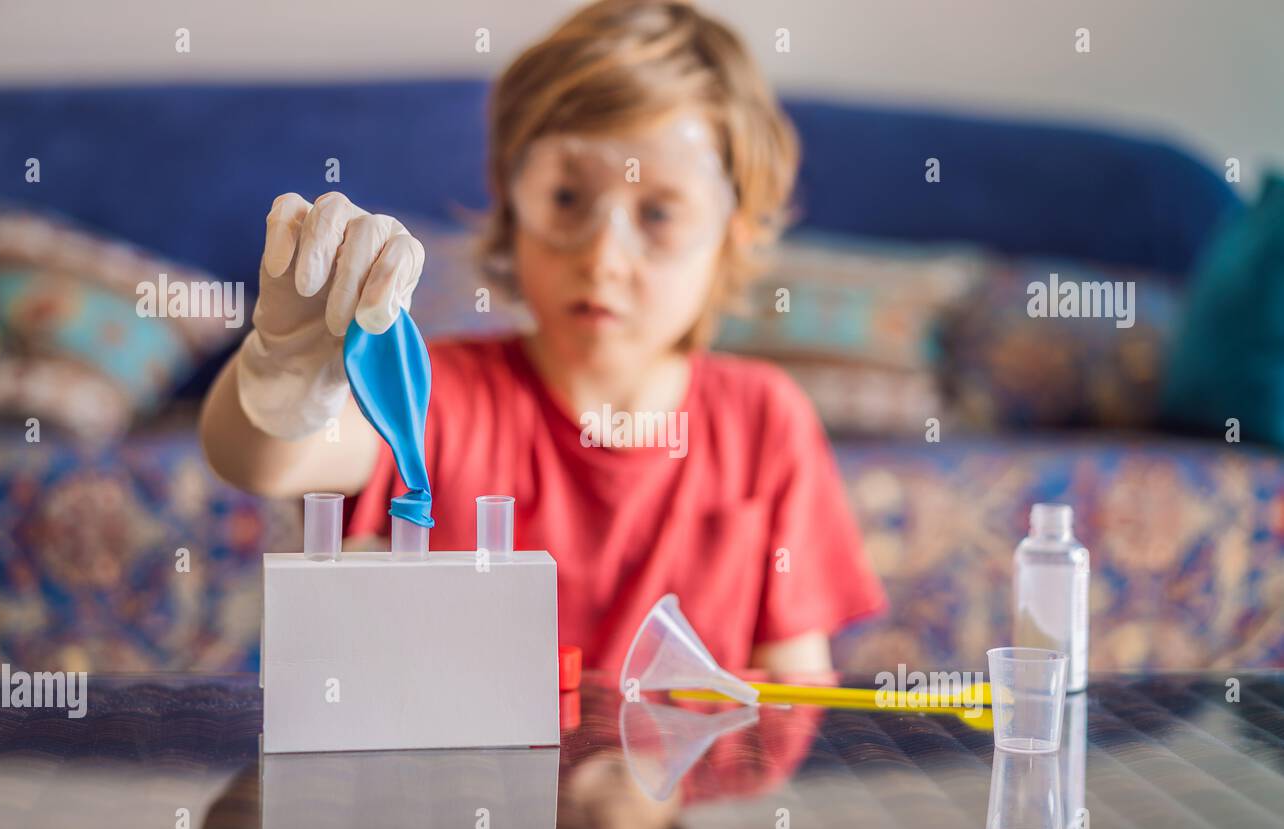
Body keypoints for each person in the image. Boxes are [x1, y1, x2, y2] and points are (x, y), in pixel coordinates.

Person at [199, 0, 885, 676]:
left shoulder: (764, 422)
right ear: (511, 205)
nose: (603, 259)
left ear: (731, 232)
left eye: (658, 212)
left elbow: (797, 705)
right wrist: (284, 373)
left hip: (685, 792)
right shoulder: (437, 397)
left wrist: (669, 783)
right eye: (565, 198)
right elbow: (267, 463)